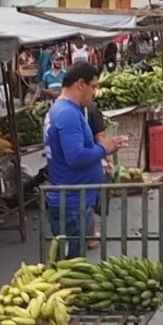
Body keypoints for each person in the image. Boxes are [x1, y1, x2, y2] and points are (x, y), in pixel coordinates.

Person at [44, 62, 127, 259]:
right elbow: (76, 157)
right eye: (94, 86)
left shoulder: (65, 110)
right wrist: (104, 149)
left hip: (74, 198)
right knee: (69, 265)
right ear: (81, 84)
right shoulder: (67, 113)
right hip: (72, 201)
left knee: (73, 262)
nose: (95, 92)